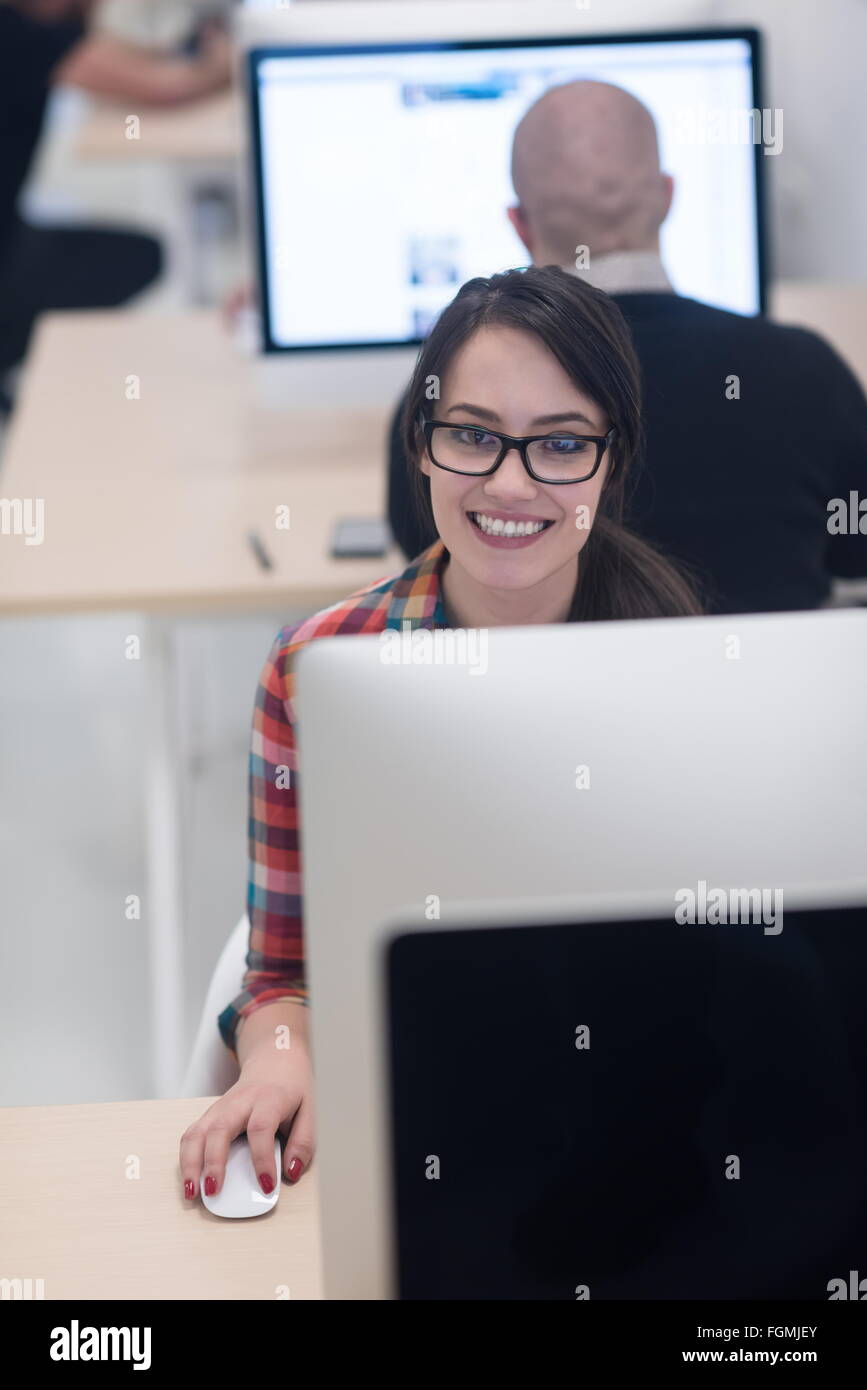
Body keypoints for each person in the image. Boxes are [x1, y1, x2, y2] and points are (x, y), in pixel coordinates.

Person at [178, 265, 702, 1203]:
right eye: (472, 436)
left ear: (611, 460)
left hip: (630, 1129)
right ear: (420, 447)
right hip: (410, 1122)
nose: (510, 483)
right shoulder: (317, 668)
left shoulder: (681, 664)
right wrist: (279, 1061)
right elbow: (281, 973)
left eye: (561, 444)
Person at [388, 81, 867, 614]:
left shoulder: (445, 397)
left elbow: (443, 565)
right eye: (476, 435)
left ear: (520, 224)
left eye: (564, 444)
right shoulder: (808, 372)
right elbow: (855, 556)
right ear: (667, 197)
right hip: (773, 694)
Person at [0, 0, 233, 381]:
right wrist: (222, 64)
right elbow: (166, 89)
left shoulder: (30, 30)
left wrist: (189, 52)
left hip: (15, 239)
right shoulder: (22, 34)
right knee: (143, 255)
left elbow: (123, 56)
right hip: (8, 265)